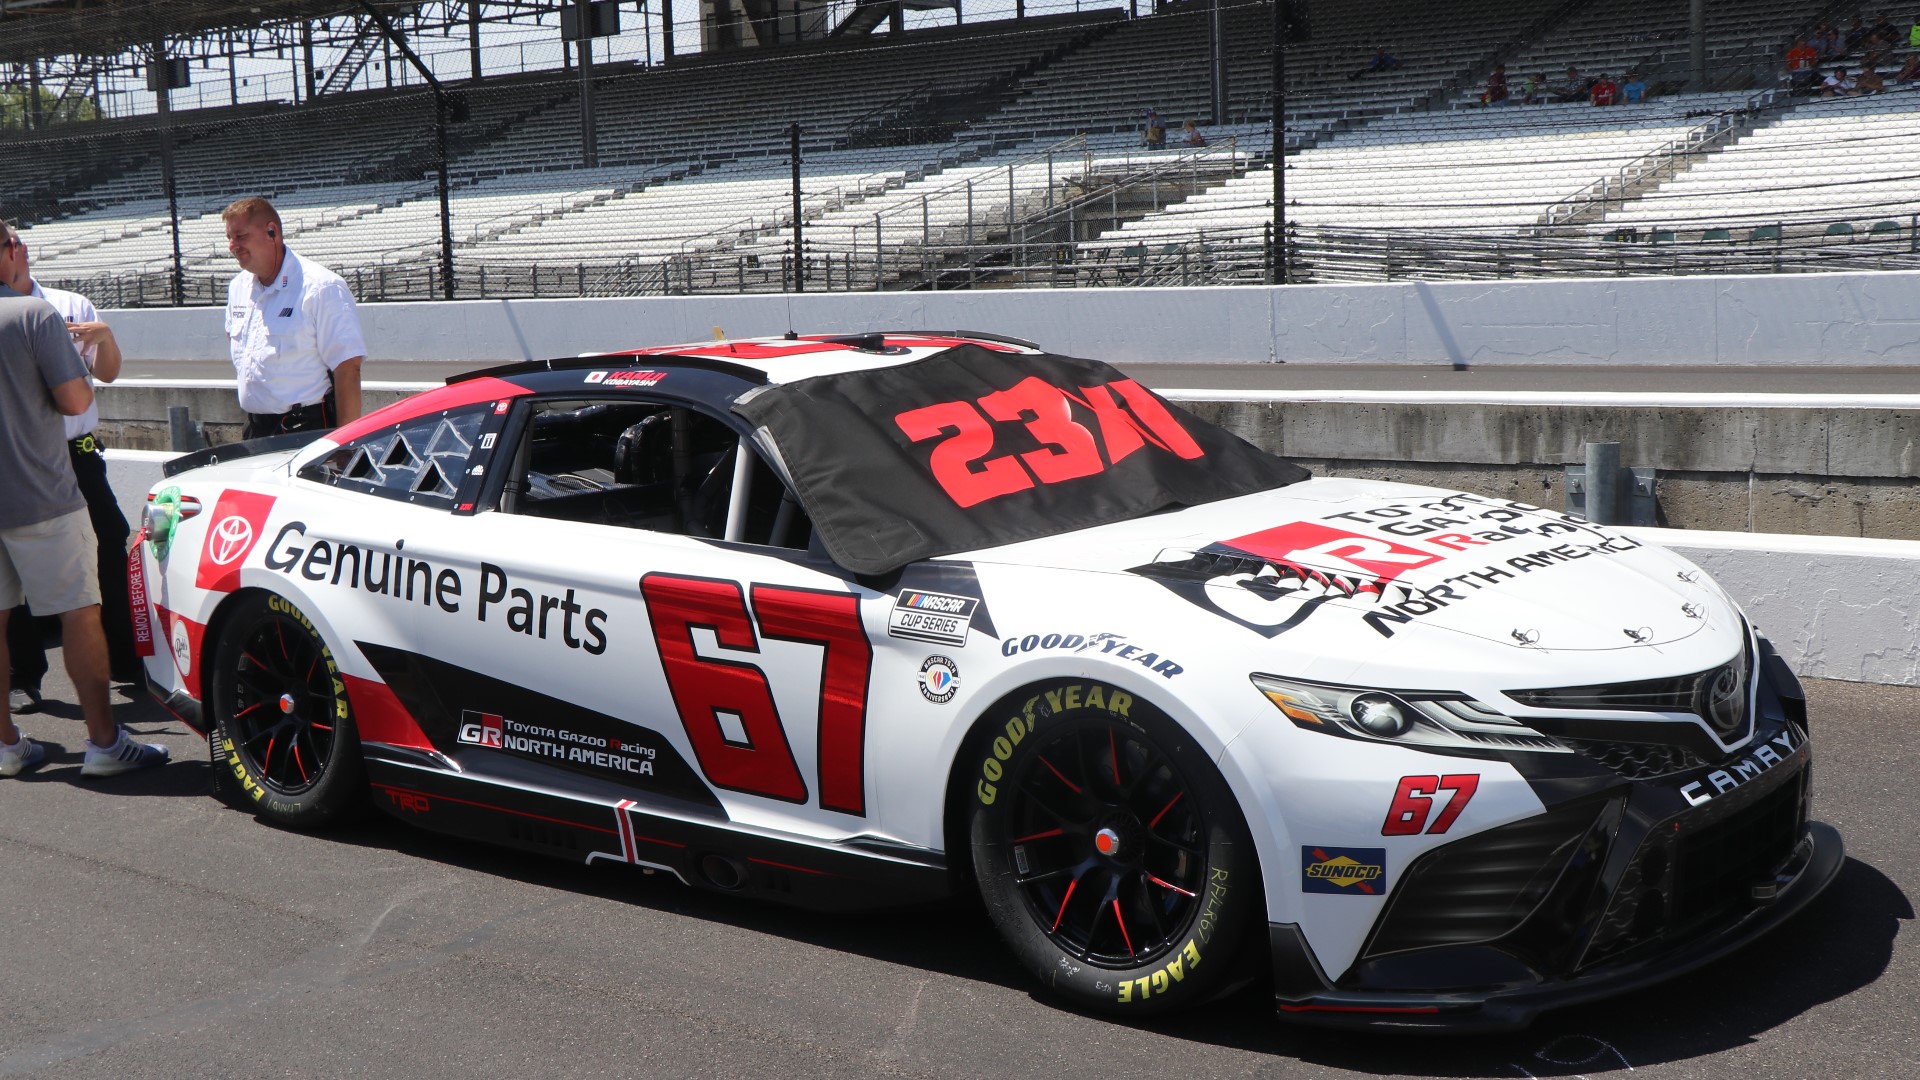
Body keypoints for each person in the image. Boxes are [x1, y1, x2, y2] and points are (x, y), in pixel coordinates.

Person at [0, 221, 168, 778]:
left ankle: (6, 744)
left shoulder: (61, 303)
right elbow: (74, 400)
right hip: (41, 480)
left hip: (45, 471)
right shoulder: (37, 315)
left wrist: (102, 340)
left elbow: (105, 377)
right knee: (78, 606)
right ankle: (102, 740)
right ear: (9, 252)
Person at [222, 197, 366, 440]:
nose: (232, 246)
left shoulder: (321, 287)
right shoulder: (238, 288)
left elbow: (348, 369)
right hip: (256, 432)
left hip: (306, 430)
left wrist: (345, 445)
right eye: (229, 238)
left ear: (272, 232)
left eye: (241, 236)